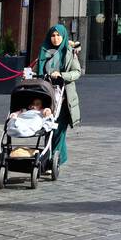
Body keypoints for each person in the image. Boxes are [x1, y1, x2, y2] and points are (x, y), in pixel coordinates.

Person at [35, 23, 80, 165]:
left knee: (59, 129)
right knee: (48, 127)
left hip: (64, 96)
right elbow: (39, 70)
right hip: (47, 95)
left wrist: (61, 75)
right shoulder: (44, 51)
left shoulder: (69, 52)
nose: (55, 39)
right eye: (53, 35)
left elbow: (77, 72)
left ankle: (54, 160)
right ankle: (57, 156)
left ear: (63, 36)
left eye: (58, 35)